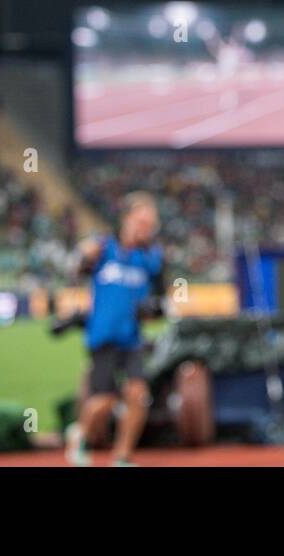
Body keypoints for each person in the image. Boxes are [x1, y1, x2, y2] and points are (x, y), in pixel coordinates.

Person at [64, 191, 165, 467]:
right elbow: (78, 269)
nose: (145, 228)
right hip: (103, 336)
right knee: (105, 400)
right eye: (140, 221)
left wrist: (153, 309)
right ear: (126, 219)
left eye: (149, 224)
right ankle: (80, 432)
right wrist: (84, 256)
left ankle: (122, 457)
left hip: (131, 338)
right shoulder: (103, 248)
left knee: (138, 394)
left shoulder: (152, 257)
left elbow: (160, 301)